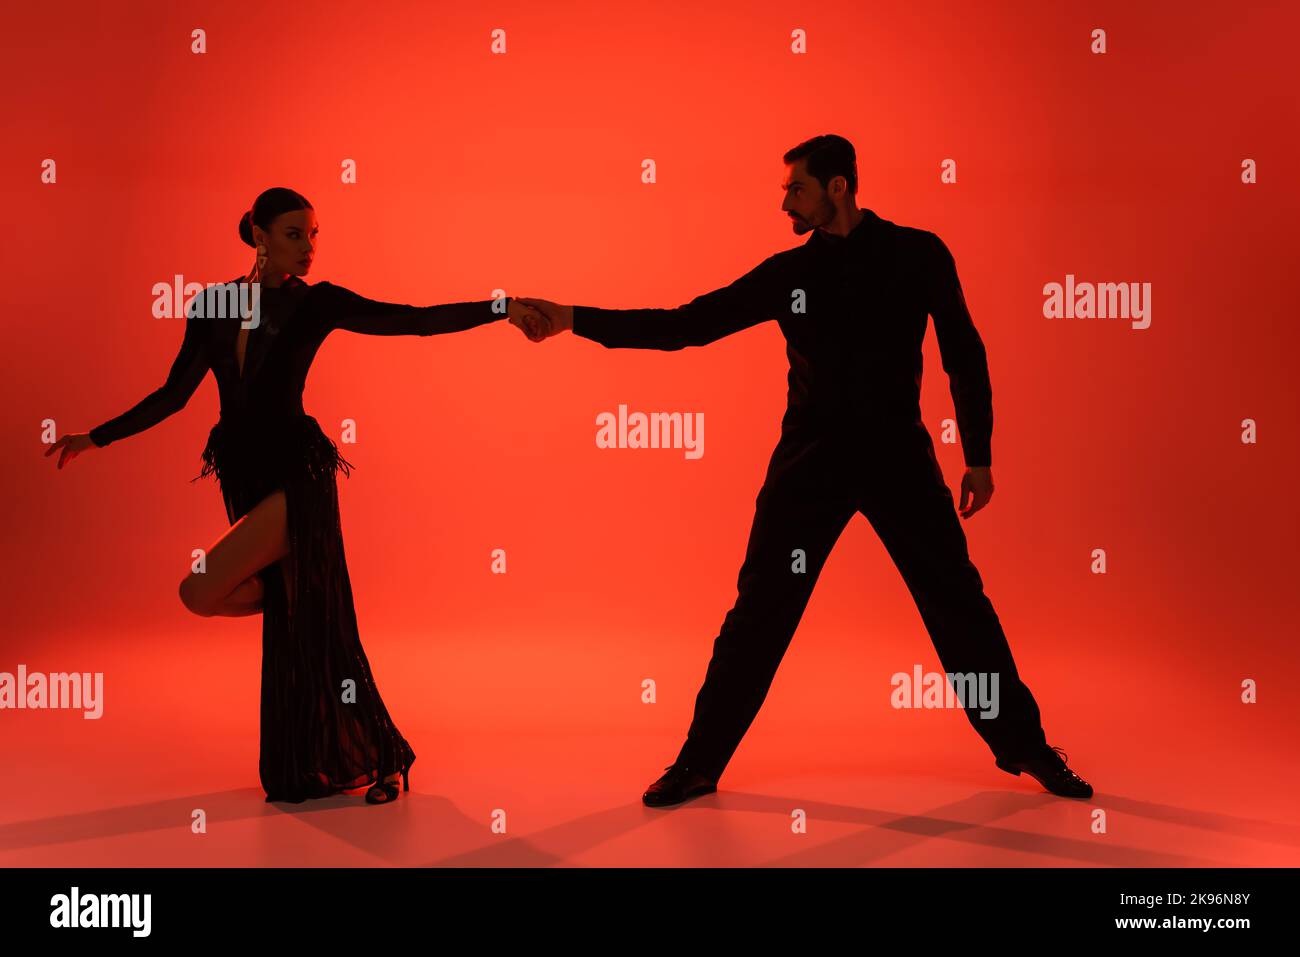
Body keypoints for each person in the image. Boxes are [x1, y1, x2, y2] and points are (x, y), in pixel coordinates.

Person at [514, 134, 1094, 806]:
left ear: (838, 186)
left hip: (898, 460)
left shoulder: (918, 255)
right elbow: (685, 325)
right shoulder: (789, 275)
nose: (785, 200)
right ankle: (699, 762)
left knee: (958, 603)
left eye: (796, 188)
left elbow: (962, 351)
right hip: (810, 467)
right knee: (760, 610)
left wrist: (979, 455)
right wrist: (570, 319)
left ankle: (1027, 747)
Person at [46, 187, 548, 804]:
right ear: (257, 235)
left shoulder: (318, 305)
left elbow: (413, 320)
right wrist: (95, 437)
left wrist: (500, 308)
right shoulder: (211, 305)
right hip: (240, 472)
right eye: (293, 234)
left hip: (297, 474)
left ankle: (379, 752)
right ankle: (362, 747)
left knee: (199, 589)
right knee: (298, 611)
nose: (308, 247)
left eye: (314, 235)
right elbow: (174, 395)